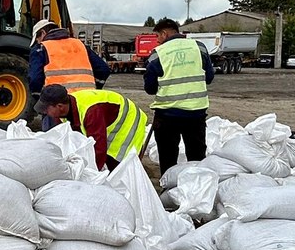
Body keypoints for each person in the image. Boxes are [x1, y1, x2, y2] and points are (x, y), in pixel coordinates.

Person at [143, 18, 214, 175]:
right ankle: (198, 188)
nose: (157, 41)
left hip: (168, 115)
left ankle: (168, 191)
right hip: (196, 113)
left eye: (157, 37)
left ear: (164, 33)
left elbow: (150, 88)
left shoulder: (158, 54)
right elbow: (209, 77)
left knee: (168, 157)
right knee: (196, 155)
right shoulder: (199, 48)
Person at [34, 84, 147, 171]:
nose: (44, 112)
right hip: (107, 121)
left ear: (60, 106)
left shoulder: (91, 112)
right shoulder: (62, 112)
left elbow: (98, 147)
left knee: (121, 165)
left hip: (128, 123)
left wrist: (92, 175)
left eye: (46, 109)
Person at [27, 20, 112, 94]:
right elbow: (104, 69)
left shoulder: (41, 48)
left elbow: (35, 79)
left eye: (37, 40)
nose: (38, 42)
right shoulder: (80, 44)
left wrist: (38, 96)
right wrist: (94, 87)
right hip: (86, 99)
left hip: (59, 103)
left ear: (43, 33)